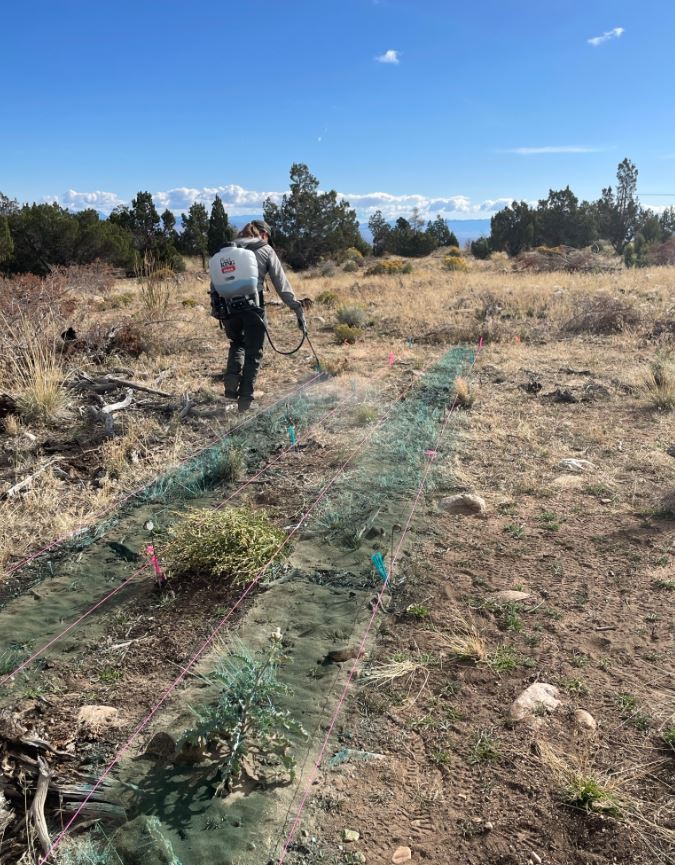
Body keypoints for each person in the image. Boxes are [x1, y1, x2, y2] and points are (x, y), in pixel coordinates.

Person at [212, 220, 306, 413]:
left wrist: (216, 309)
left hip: (228, 308)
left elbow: (215, 283)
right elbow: (281, 284)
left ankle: (230, 383)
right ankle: (245, 401)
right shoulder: (265, 250)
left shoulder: (226, 252)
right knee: (254, 353)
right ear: (263, 234)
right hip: (254, 308)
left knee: (237, 343)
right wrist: (297, 308)